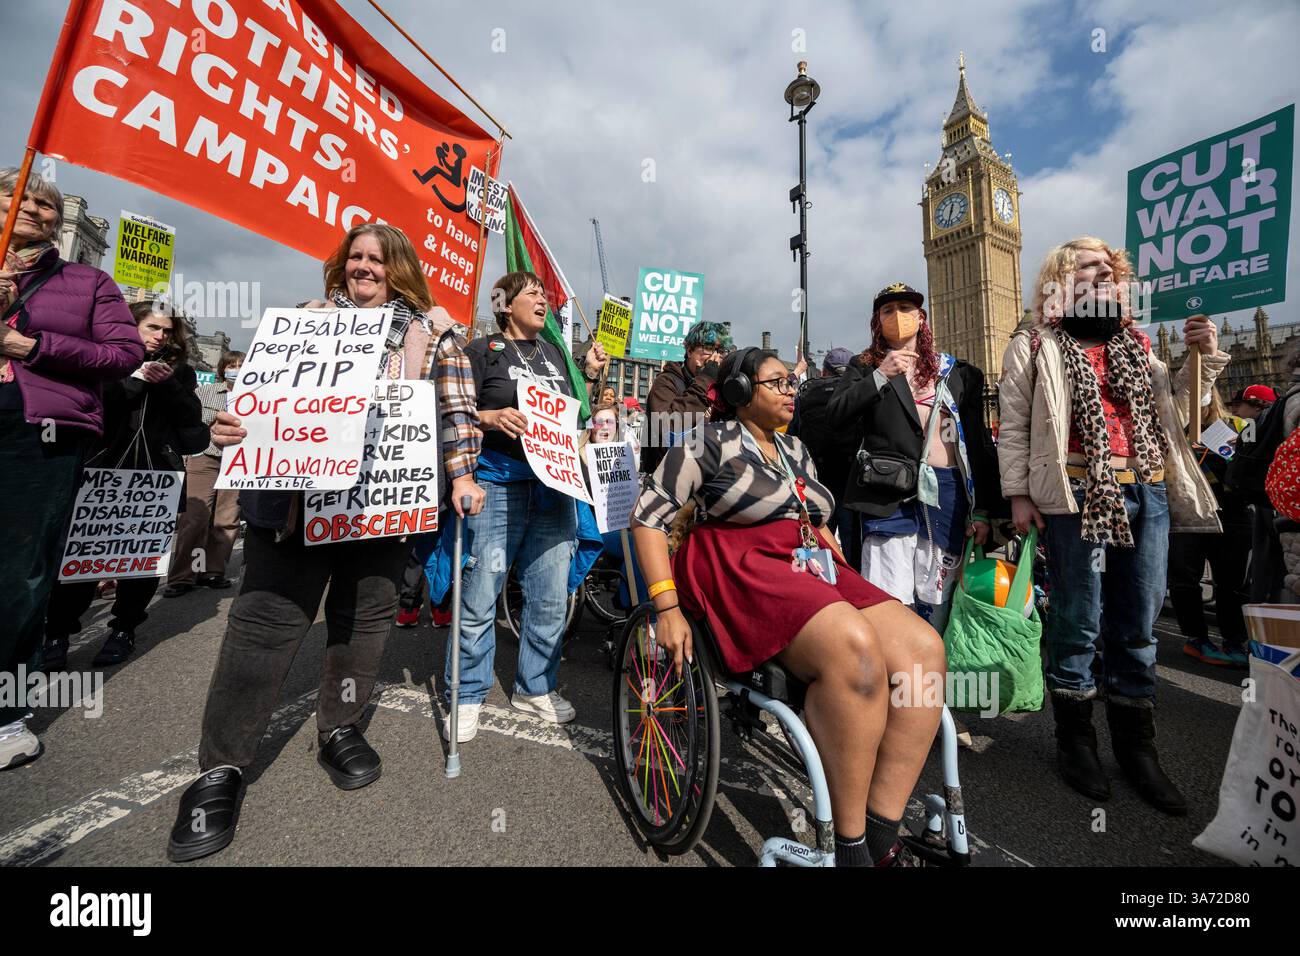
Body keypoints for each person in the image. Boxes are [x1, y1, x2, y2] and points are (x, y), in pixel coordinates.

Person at [165, 223, 484, 862]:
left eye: (377, 258)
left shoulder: (436, 333)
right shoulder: (301, 321)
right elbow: (252, 402)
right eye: (355, 257)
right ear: (342, 267)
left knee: (364, 623)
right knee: (265, 625)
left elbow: (456, 409)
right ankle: (220, 768)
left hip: (383, 506)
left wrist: (465, 472)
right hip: (295, 503)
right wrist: (233, 423)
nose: (364, 267)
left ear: (398, 269)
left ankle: (339, 728)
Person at [632, 347, 945, 866]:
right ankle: (849, 850)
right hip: (740, 561)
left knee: (923, 651)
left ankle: (880, 831)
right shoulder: (704, 442)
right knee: (856, 649)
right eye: (775, 382)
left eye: (789, 382)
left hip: (810, 561)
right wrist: (666, 610)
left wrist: (844, 578)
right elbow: (646, 520)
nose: (789, 390)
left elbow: (816, 520)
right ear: (738, 393)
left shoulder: (797, 449)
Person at [999, 236, 1228, 815]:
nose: (1104, 272)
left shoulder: (1137, 342)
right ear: (1060, 277)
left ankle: (1137, 749)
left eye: (1110, 266)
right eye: (1089, 265)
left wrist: (1206, 358)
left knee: (1137, 622)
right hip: (1076, 493)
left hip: (1145, 489)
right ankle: (1076, 742)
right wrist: (1019, 494)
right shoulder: (1035, 341)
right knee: (1079, 619)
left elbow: (1181, 413)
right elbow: (1017, 423)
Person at [0, 167, 143, 771]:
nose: (33, 207)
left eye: (47, 202)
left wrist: (33, 346)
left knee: (20, 573)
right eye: (18, 196)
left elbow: (123, 353)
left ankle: (6, 711)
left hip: (34, 436)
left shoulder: (86, 282)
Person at [448, 271, 608, 743]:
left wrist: (591, 375)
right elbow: (454, 409)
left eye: (544, 294)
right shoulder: (480, 352)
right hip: (499, 483)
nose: (543, 299)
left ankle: (534, 686)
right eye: (532, 293)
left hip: (554, 487)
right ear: (504, 304)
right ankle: (468, 691)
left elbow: (576, 413)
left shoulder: (556, 355)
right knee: (481, 592)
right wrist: (490, 416)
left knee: (550, 596)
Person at [42, 301, 207, 669]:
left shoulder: (180, 372)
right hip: (100, 473)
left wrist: (167, 385)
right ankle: (57, 634)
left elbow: (191, 420)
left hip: (154, 478)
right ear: (130, 326)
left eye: (166, 330)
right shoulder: (103, 361)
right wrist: (137, 380)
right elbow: (97, 407)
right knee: (79, 562)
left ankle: (124, 629)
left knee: (141, 563)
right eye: (152, 327)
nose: (160, 335)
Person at [827, 283, 1000, 632]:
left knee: (938, 597)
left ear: (921, 318)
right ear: (877, 322)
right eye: (887, 310)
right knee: (889, 597)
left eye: (906, 308)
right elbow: (835, 416)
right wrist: (880, 375)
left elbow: (978, 444)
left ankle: (931, 674)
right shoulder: (864, 367)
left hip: (948, 496)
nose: (898, 316)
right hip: (888, 495)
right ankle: (895, 677)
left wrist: (983, 509)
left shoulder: (955, 373)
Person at [1168, 387, 1251, 666]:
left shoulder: (1230, 427)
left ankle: (1235, 639)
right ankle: (1196, 639)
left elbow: (1241, 473)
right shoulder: (1173, 429)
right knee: (1185, 581)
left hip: (1230, 515)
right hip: (1188, 516)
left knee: (1231, 583)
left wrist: (1213, 449)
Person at [163, 350, 245, 597]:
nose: (237, 369)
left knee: (226, 520)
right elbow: (191, 413)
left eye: (242, 365)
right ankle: (182, 576)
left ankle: (213, 571)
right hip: (206, 457)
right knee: (196, 517)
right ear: (222, 369)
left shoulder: (258, 394)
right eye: (232, 365)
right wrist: (214, 418)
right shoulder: (208, 391)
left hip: (239, 462)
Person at [790, 347, 862, 567]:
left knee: (820, 540)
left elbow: (793, 434)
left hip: (817, 479)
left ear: (823, 372)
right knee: (852, 546)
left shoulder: (807, 392)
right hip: (851, 480)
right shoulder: (858, 391)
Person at [641, 321, 732, 473]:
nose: (715, 357)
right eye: (708, 348)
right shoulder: (666, 382)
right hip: (671, 477)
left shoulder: (718, 386)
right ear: (689, 350)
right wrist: (705, 380)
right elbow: (669, 427)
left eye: (720, 350)